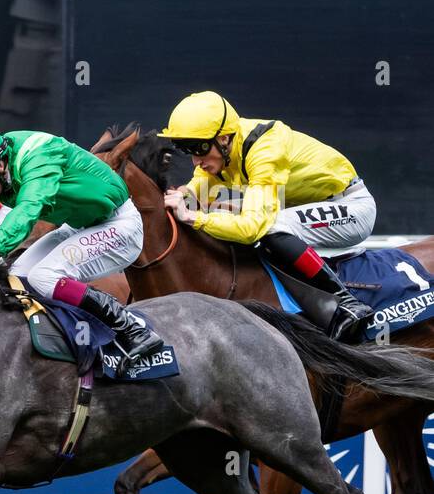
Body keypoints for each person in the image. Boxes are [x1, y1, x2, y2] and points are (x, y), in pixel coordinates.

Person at [0, 121, 164, 367]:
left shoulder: (39, 156)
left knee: (45, 277)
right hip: (79, 226)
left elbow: (30, 207)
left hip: (119, 226)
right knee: (19, 277)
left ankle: (132, 329)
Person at [160, 90, 375, 340]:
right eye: (189, 151)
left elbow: (253, 228)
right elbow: (200, 187)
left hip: (353, 207)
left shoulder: (264, 147)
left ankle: (347, 303)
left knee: (269, 227)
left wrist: (193, 218)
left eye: (200, 149)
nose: (196, 160)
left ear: (225, 138)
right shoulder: (223, 152)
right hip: (300, 206)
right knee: (218, 207)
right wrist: (180, 197)